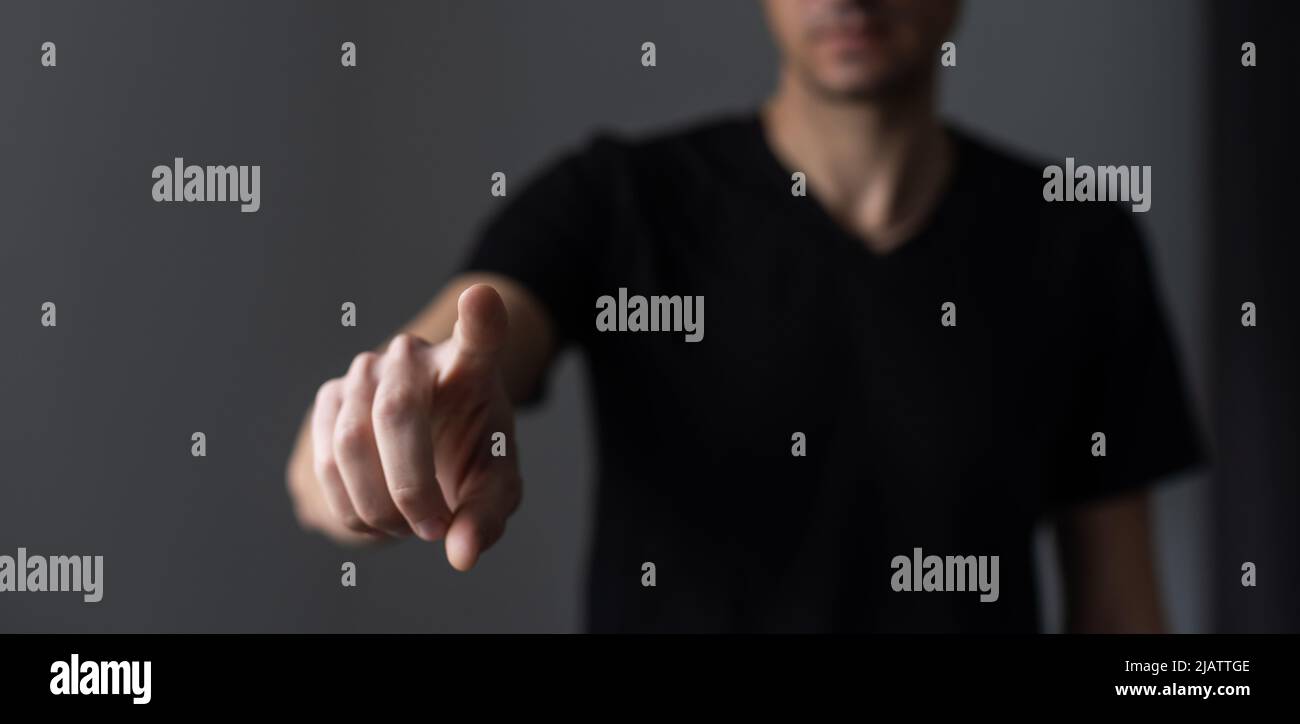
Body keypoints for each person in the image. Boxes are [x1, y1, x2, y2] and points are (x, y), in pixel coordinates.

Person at [284, 0, 1203, 632]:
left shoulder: (1077, 239)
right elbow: (442, 370)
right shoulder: (619, 202)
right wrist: (384, 438)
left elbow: (1122, 615)